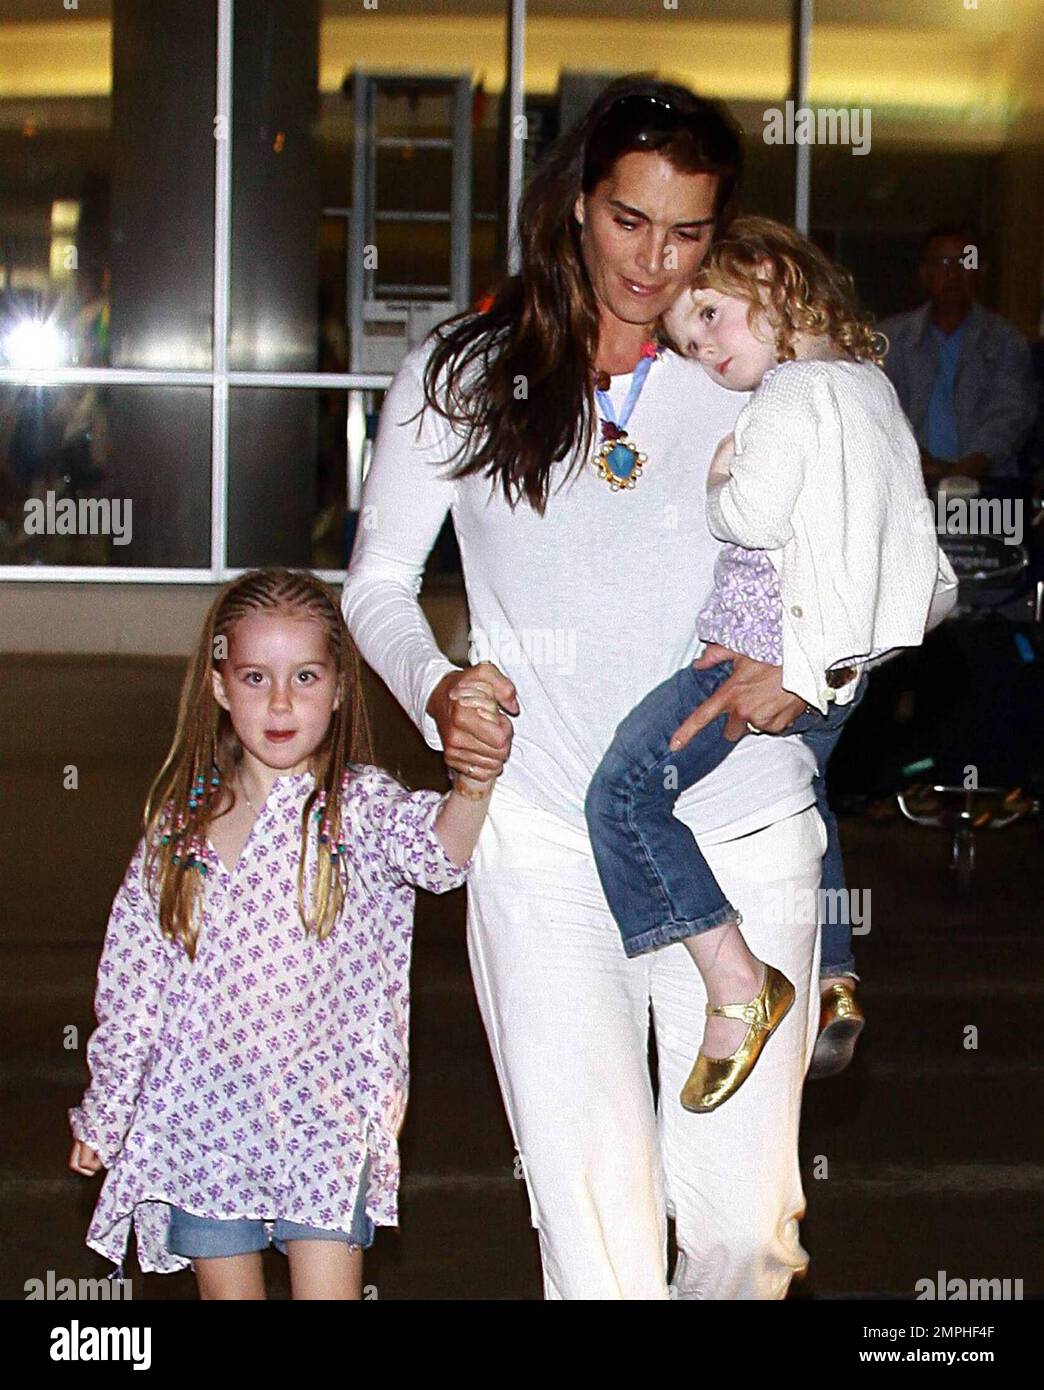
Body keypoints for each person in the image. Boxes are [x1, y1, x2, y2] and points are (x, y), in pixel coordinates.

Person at [344, 75, 862, 1300]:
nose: (656, 260)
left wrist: (817, 662)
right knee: (598, 1244)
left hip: (736, 837)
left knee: (743, 1235)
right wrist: (437, 686)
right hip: (543, 849)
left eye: (688, 231)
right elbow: (374, 583)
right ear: (577, 205)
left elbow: (913, 568)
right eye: (631, 220)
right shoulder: (463, 372)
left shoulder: (765, 364)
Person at [584, 217, 957, 1111]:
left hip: (764, 667)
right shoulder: (872, 390)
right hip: (842, 674)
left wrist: (722, 473)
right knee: (816, 806)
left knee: (623, 796)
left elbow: (750, 519)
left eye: (710, 315)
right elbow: (923, 568)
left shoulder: (786, 396)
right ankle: (835, 974)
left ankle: (736, 979)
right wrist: (837, 664)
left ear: (772, 280)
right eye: (686, 339)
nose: (705, 347)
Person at [68, 568, 497, 1299]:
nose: (279, 702)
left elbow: (438, 855)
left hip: (325, 1122)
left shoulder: (358, 809)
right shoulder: (180, 830)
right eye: (256, 676)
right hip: (202, 1121)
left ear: (337, 687)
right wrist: (106, 1112)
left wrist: (473, 786)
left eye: (304, 676)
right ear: (219, 686)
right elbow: (134, 989)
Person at [878, 223, 1037, 484]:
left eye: (966, 260)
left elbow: (1012, 414)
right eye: (942, 262)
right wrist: (920, 462)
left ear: (981, 271)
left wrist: (970, 466)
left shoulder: (1007, 341)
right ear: (924, 273)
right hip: (908, 481)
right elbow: (881, 411)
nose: (953, 273)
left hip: (987, 486)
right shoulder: (891, 340)